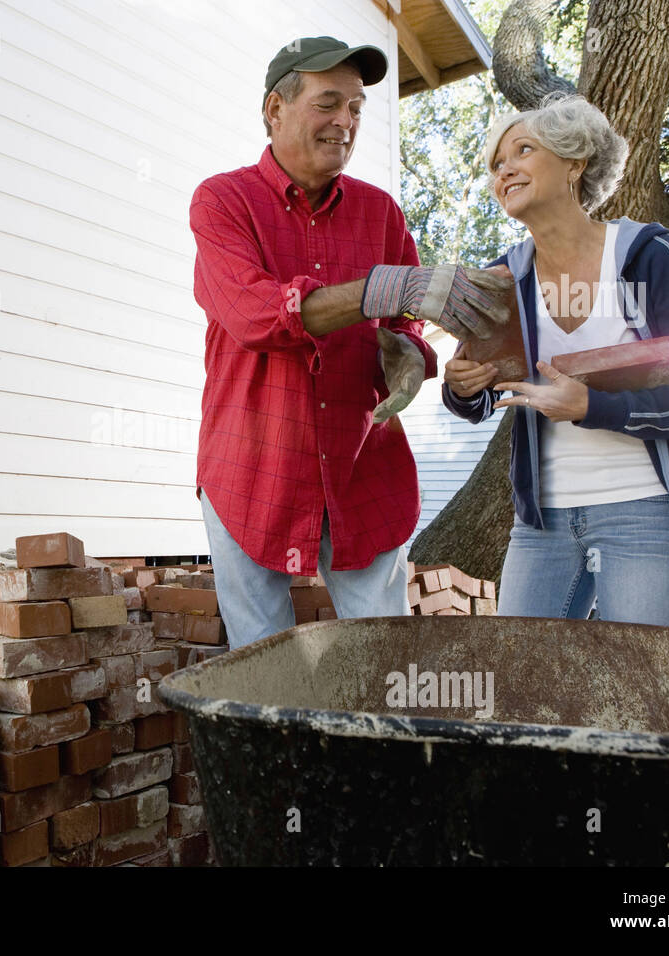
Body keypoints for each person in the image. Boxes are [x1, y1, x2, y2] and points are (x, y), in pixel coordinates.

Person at [191, 36, 513, 648]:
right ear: (274, 109)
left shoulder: (381, 213)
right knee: (262, 664)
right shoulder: (222, 202)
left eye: (357, 108)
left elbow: (407, 328)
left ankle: (371, 748)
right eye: (328, 103)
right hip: (251, 463)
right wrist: (378, 291)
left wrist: (410, 358)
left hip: (363, 464)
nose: (346, 122)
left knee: (381, 658)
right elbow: (257, 315)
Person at [442, 93, 669, 627]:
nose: (504, 169)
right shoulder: (504, 279)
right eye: (495, 164)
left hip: (648, 514)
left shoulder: (651, 257)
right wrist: (463, 387)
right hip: (541, 524)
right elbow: (482, 395)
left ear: (574, 162)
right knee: (523, 685)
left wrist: (595, 405)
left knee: (637, 691)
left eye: (522, 151)